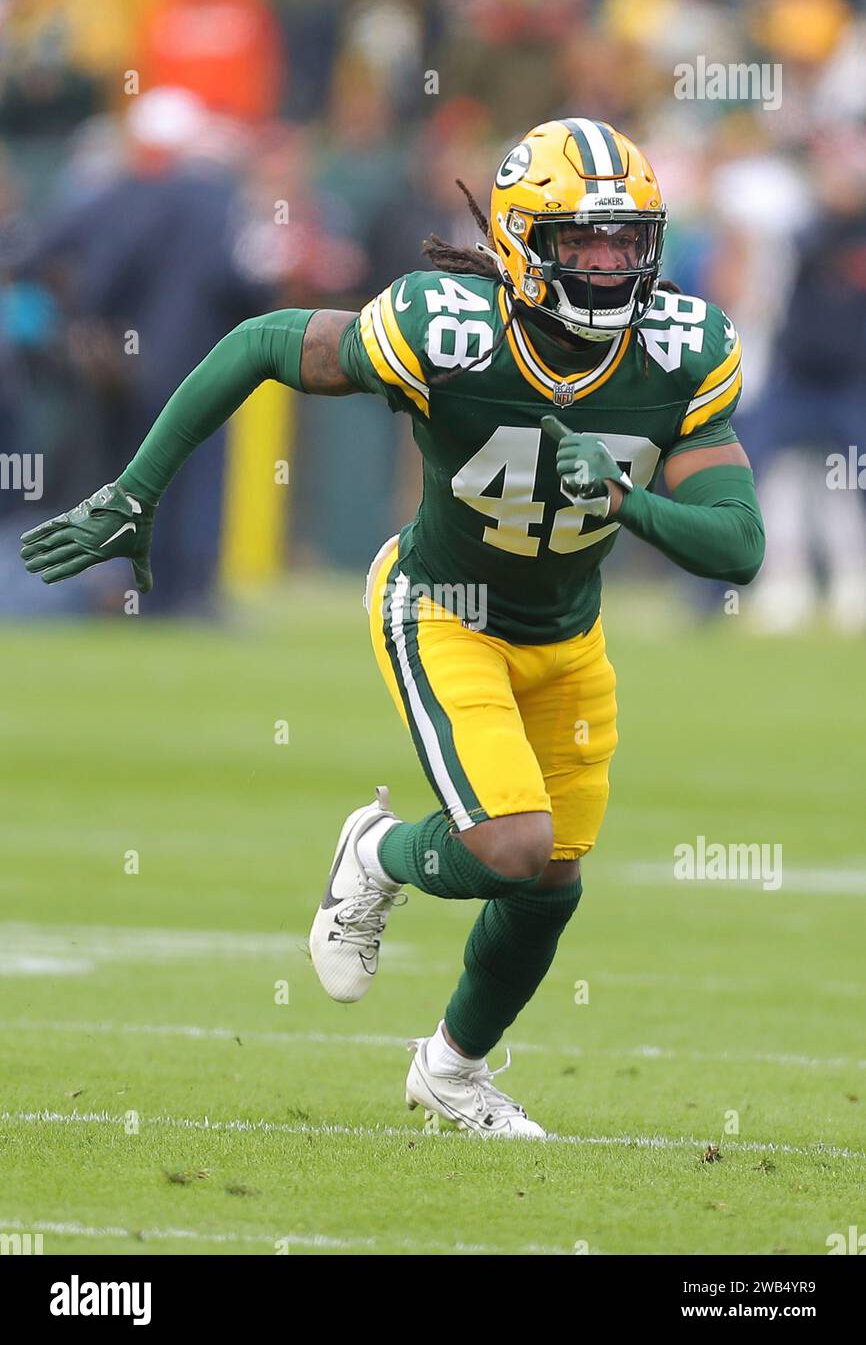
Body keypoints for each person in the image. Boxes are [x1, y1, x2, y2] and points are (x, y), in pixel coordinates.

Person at [20, 119, 765, 1137]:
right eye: (581, 242)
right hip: (442, 607)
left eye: (625, 242)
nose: (607, 265)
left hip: (567, 633)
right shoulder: (443, 327)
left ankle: (451, 1073)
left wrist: (627, 503)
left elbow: (734, 547)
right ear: (519, 243)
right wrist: (138, 488)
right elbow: (262, 341)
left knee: (550, 883)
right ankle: (375, 853)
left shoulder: (682, 350)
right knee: (509, 848)